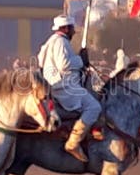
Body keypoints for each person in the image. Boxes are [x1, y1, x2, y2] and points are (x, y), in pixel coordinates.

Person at [38, 14, 101, 162]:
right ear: (66, 28)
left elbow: (42, 61)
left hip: (59, 83)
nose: (73, 32)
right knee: (94, 107)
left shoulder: (51, 41)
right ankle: (74, 142)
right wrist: (81, 60)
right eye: (72, 29)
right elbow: (64, 65)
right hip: (64, 87)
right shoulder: (60, 42)